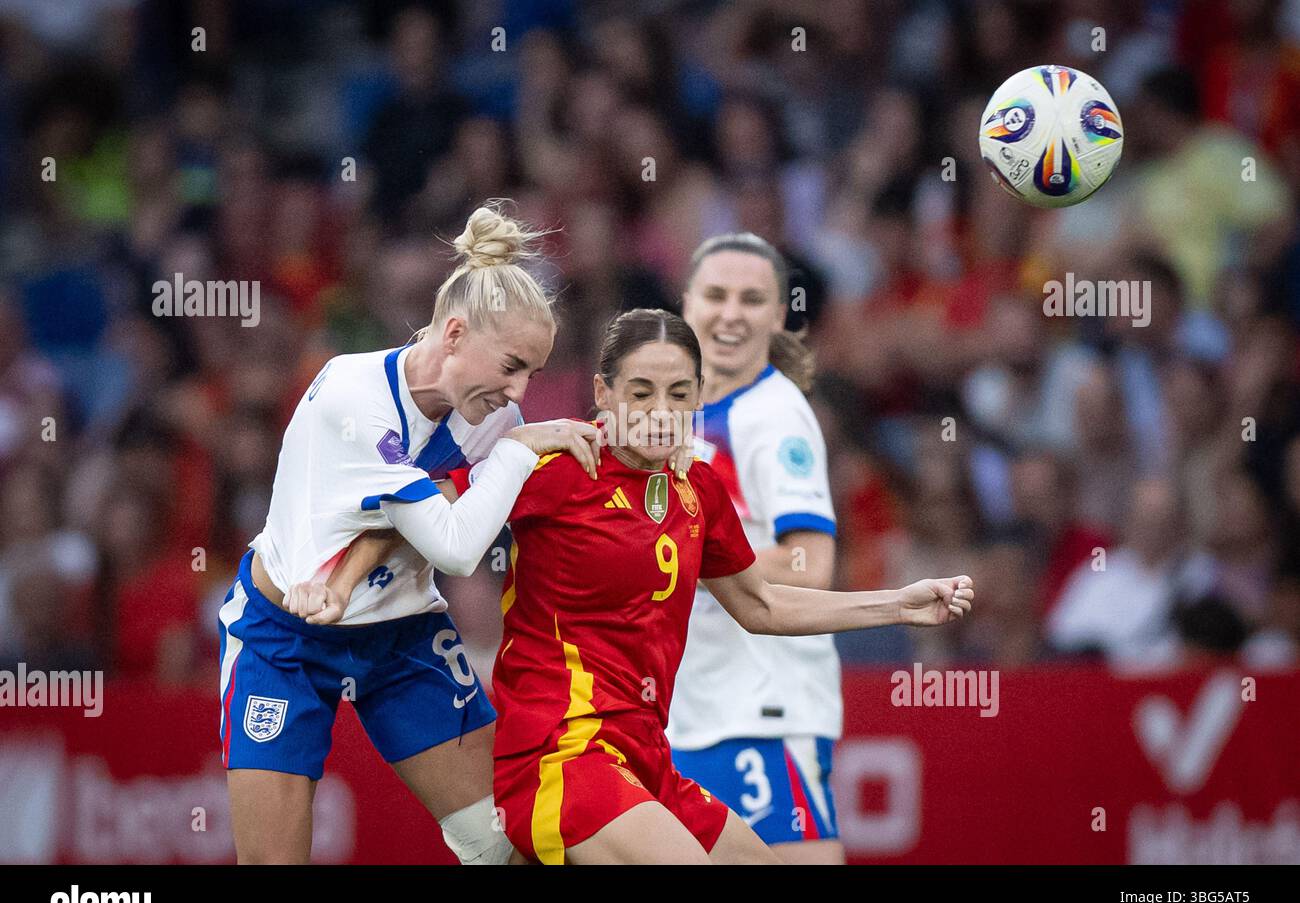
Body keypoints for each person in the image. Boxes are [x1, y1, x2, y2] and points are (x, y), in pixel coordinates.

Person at [300, 308, 972, 864]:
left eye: (678, 394)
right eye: (641, 392)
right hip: (560, 757)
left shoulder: (697, 487)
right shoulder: (553, 467)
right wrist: (337, 580)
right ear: (604, 393)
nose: (659, 411)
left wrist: (898, 603)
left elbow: (761, 603)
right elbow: (417, 505)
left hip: (647, 762)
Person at [218, 203, 605, 864]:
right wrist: (520, 447)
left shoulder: (488, 413)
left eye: (531, 376)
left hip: (401, 634)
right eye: (511, 365)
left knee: (506, 842)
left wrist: (514, 440)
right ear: (454, 333)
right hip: (285, 639)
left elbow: (406, 518)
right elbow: (452, 542)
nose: (518, 392)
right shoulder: (353, 400)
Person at [666, 233, 846, 862]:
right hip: (692, 705)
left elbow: (811, 563)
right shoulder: (675, 418)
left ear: (777, 315)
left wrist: (679, 558)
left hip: (764, 706)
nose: (731, 313)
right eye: (716, 295)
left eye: (752, 299)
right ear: (686, 304)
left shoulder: (774, 414)